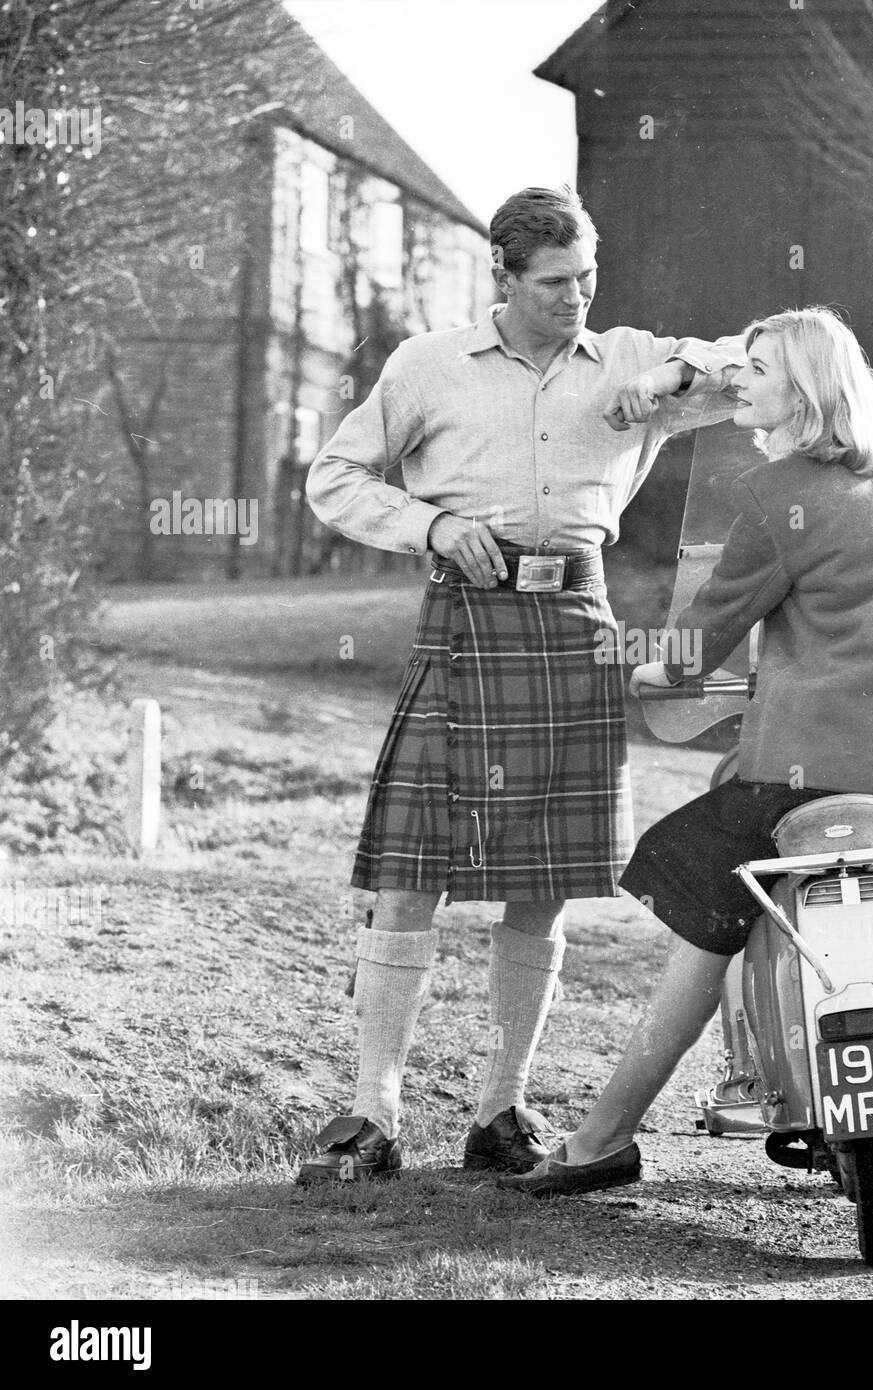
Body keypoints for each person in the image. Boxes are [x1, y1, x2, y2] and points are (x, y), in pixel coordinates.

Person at [499, 306, 873, 1198]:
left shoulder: (775, 495)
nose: (738, 385)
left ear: (799, 389)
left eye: (754, 372)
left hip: (794, 773)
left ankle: (602, 1139)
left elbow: (717, 618)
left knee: (700, 934)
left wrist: (655, 674)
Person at [295, 187, 744, 1183]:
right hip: (463, 617)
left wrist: (676, 371)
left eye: (588, 276)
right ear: (501, 275)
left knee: (545, 884)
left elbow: (753, 371)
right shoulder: (427, 366)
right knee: (412, 874)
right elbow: (334, 476)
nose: (576, 297)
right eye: (553, 284)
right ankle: (374, 1115)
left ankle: (502, 1111)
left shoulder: (629, 358)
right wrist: (431, 525)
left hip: (573, 626)